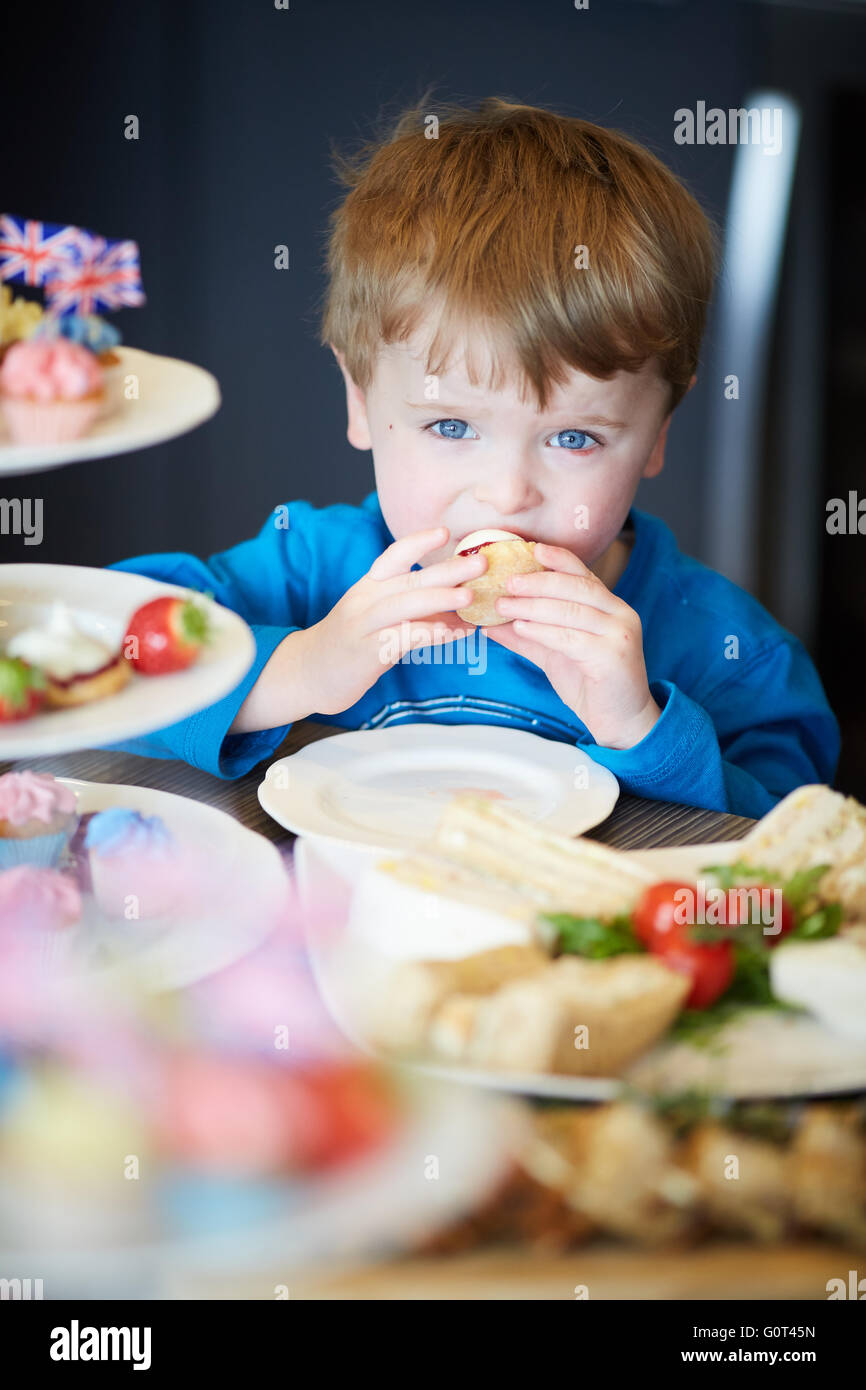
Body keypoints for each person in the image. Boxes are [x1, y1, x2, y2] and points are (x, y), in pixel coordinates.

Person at [108, 97, 839, 817]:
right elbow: (100, 655)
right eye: (452, 427)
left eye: (573, 438)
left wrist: (642, 726)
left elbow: (796, 857)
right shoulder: (311, 570)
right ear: (361, 402)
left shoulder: (730, 650)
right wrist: (298, 670)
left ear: (657, 438)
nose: (505, 494)